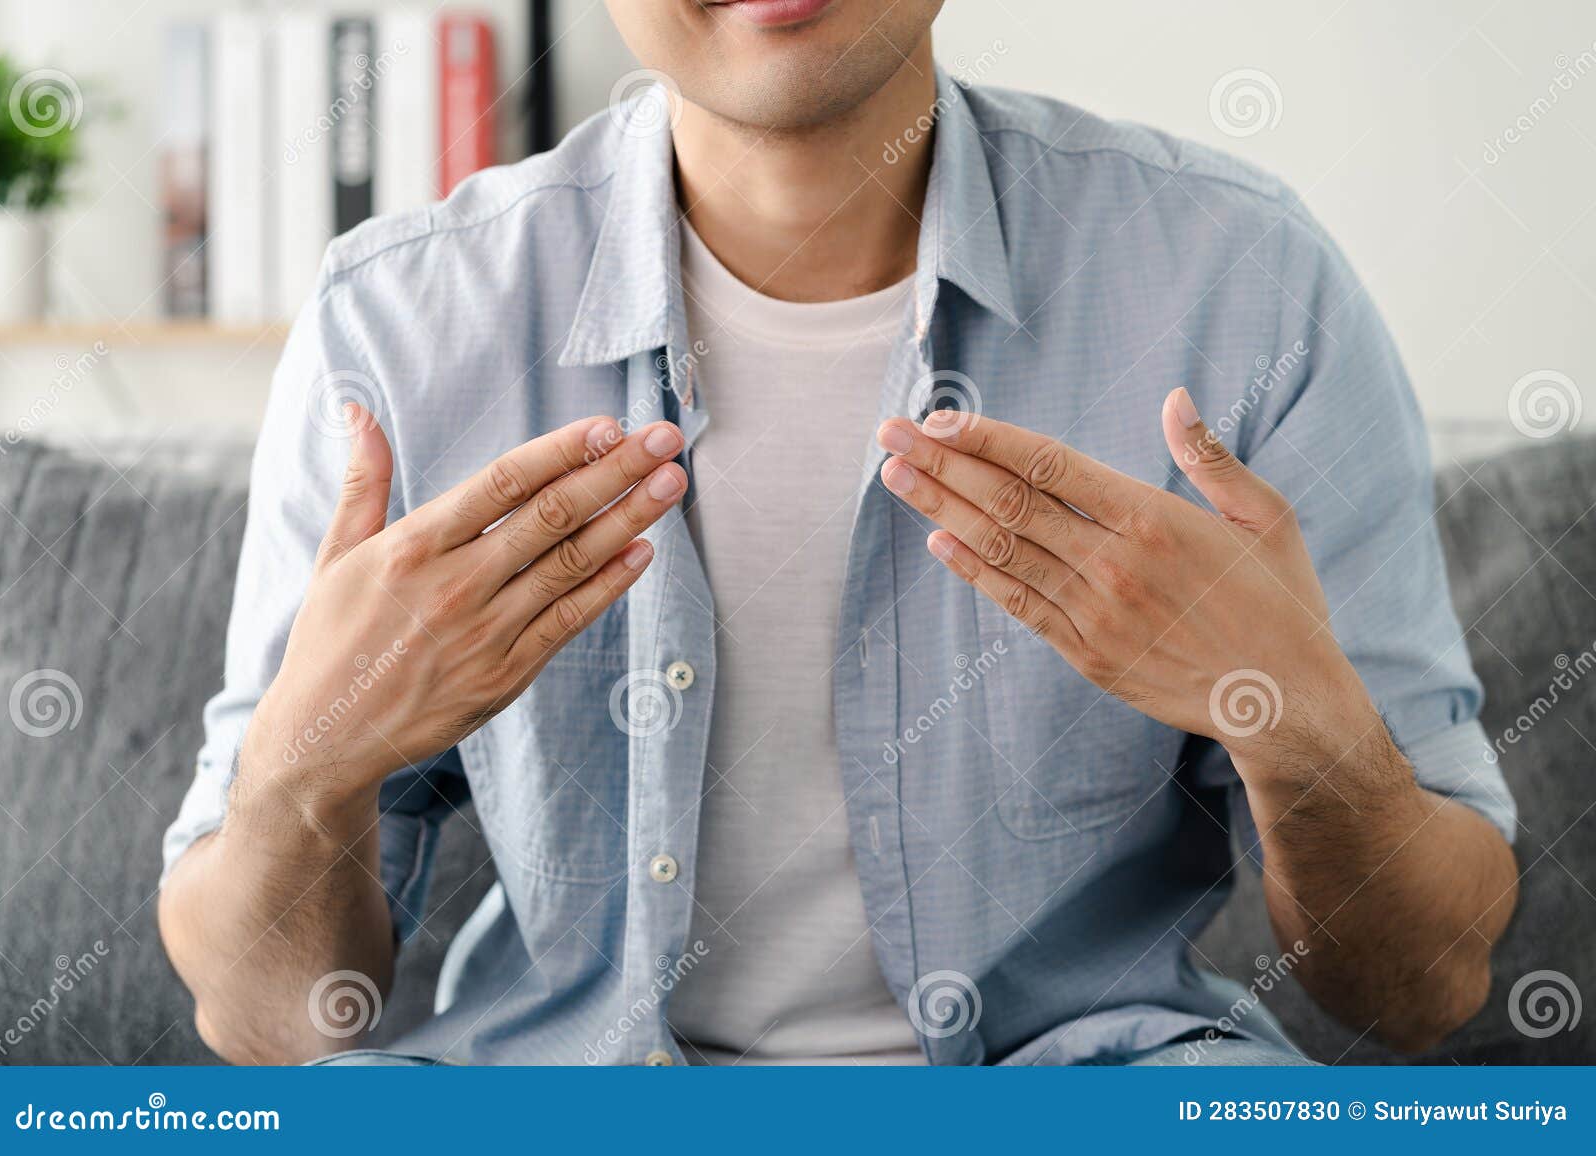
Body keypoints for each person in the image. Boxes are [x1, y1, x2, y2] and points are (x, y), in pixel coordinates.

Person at [159, 0, 1518, 1067]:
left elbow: (1423, 991)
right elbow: (272, 1028)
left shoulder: (1244, 286)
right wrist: (302, 762)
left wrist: (1291, 716)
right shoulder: (395, 326)